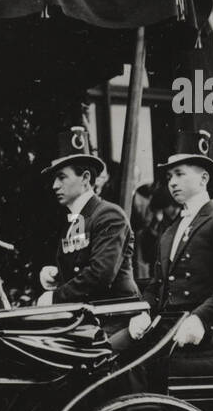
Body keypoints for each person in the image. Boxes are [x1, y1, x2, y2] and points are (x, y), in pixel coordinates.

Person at [125, 129, 213, 350]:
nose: (172, 182)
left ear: (203, 178)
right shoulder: (170, 231)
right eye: (169, 176)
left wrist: (200, 318)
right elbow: (157, 286)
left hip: (203, 336)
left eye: (180, 174)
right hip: (165, 331)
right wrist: (143, 311)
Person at [36, 127, 138, 306]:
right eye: (54, 179)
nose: (54, 186)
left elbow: (100, 275)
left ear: (85, 178)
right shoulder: (75, 219)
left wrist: (55, 297)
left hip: (115, 314)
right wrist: (56, 276)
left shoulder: (109, 216)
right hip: (87, 315)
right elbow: (80, 269)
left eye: (61, 177)